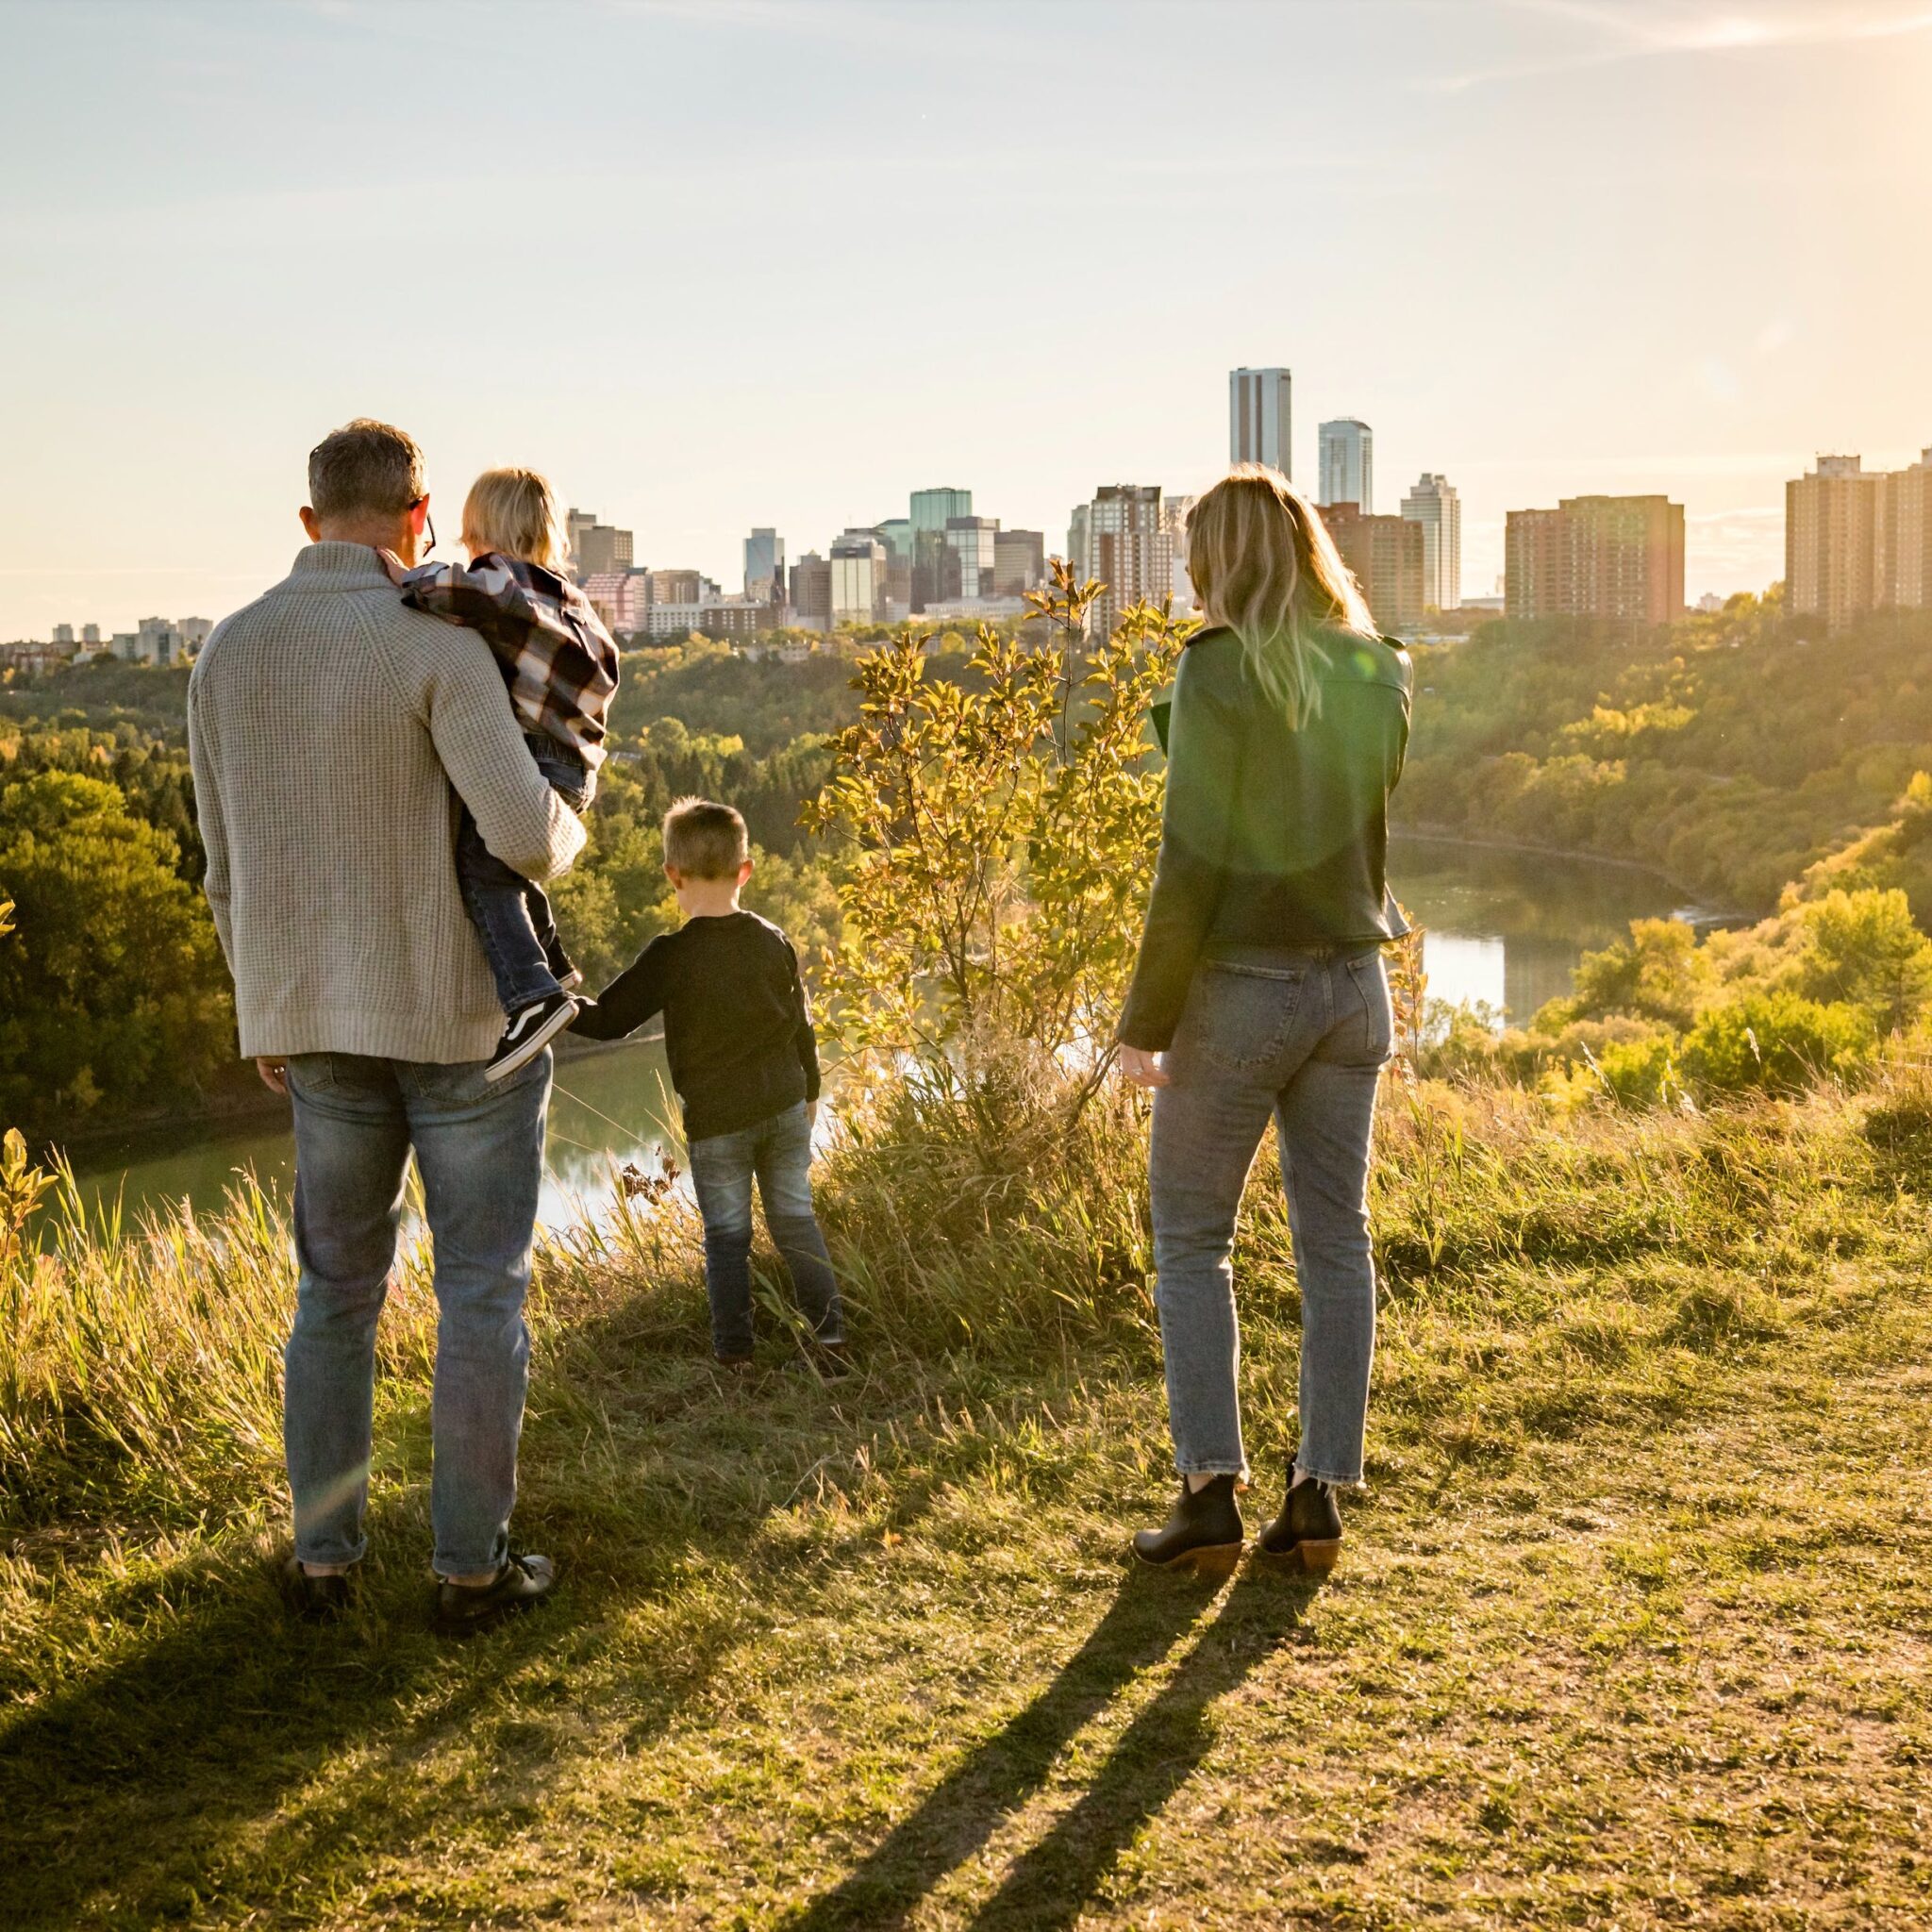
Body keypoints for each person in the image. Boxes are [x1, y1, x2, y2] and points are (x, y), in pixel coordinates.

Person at [187, 419, 587, 1635]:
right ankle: (470, 1568)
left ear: (308, 522)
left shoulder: (226, 653)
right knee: (478, 1294)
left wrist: (266, 999)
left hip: (312, 1018)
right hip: (460, 1018)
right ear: (419, 517)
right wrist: (576, 825)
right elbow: (524, 836)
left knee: (332, 1297)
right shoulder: (436, 641)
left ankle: (323, 1558)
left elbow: (222, 870)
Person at [1116, 463, 1412, 1577]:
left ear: (1215, 563)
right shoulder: (1381, 670)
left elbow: (1190, 853)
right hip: (1353, 988)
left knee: (1192, 1239)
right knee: (1335, 1239)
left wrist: (1143, 1019)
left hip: (1241, 986)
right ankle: (1319, 1493)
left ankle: (1207, 1493)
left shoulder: (1216, 669)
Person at [570, 797, 846, 1372]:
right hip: (785, 1105)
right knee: (796, 1222)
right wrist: (811, 1092)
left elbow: (606, 1021)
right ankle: (832, 1342)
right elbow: (802, 1025)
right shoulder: (774, 939)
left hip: (719, 1122)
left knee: (726, 1238)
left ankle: (735, 1358)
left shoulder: (670, 957)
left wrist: (549, 996)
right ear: (745, 871)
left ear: (672, 874)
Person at [391, 467, 620, 1083]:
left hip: (540, 758)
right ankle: (553, 960)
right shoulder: (571, 600)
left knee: (480, 861)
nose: (464, 552)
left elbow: (467, 595)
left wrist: (406, 581)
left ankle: (530, 995)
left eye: (468, 540)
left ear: (484, 532)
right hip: (577, 771)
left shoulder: (504, 583)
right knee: (509, 863)